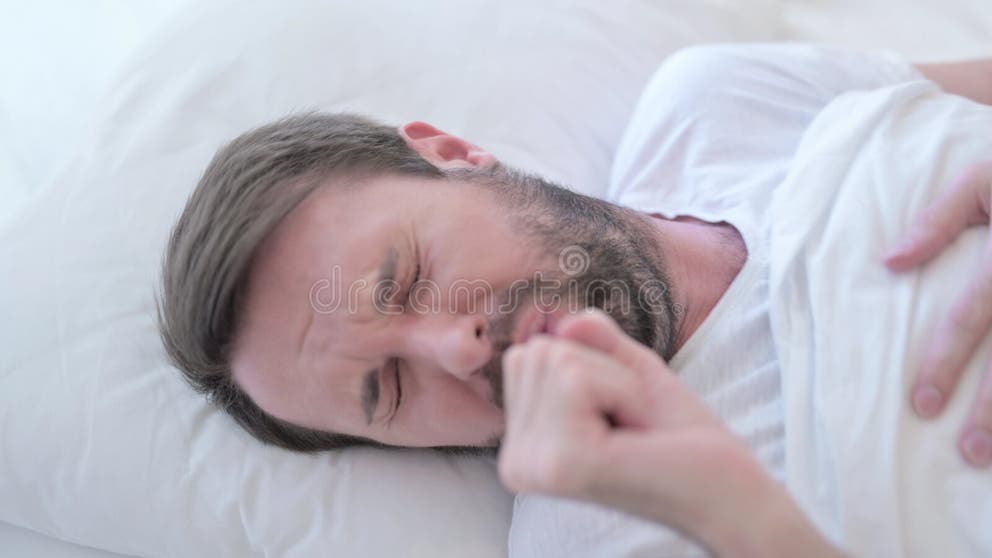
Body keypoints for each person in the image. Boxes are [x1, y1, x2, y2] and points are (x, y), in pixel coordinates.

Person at [157, 43, 992, 555]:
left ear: (453, 154)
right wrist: (733, 515)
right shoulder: (603, 535)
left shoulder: (716, 104)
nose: (455, 349)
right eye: (391, 388)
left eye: (403, 281)